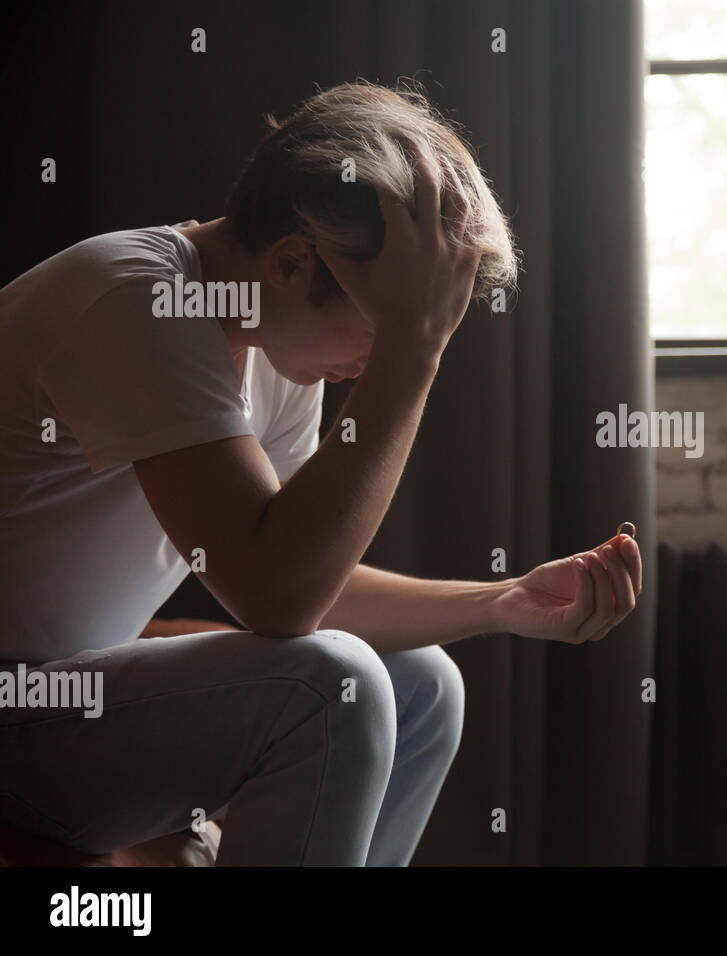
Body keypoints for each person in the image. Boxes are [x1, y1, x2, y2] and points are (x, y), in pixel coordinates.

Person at [0, 82, 642, 866]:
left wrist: (502, 602)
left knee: (422, 685)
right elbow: (278, 595)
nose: (371, 363)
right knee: (324, 691)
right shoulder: (143, 297)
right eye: (382, 327)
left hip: (64, 691)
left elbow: (314, 584)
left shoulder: (274, 350)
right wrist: (412, 355)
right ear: (292, 262)